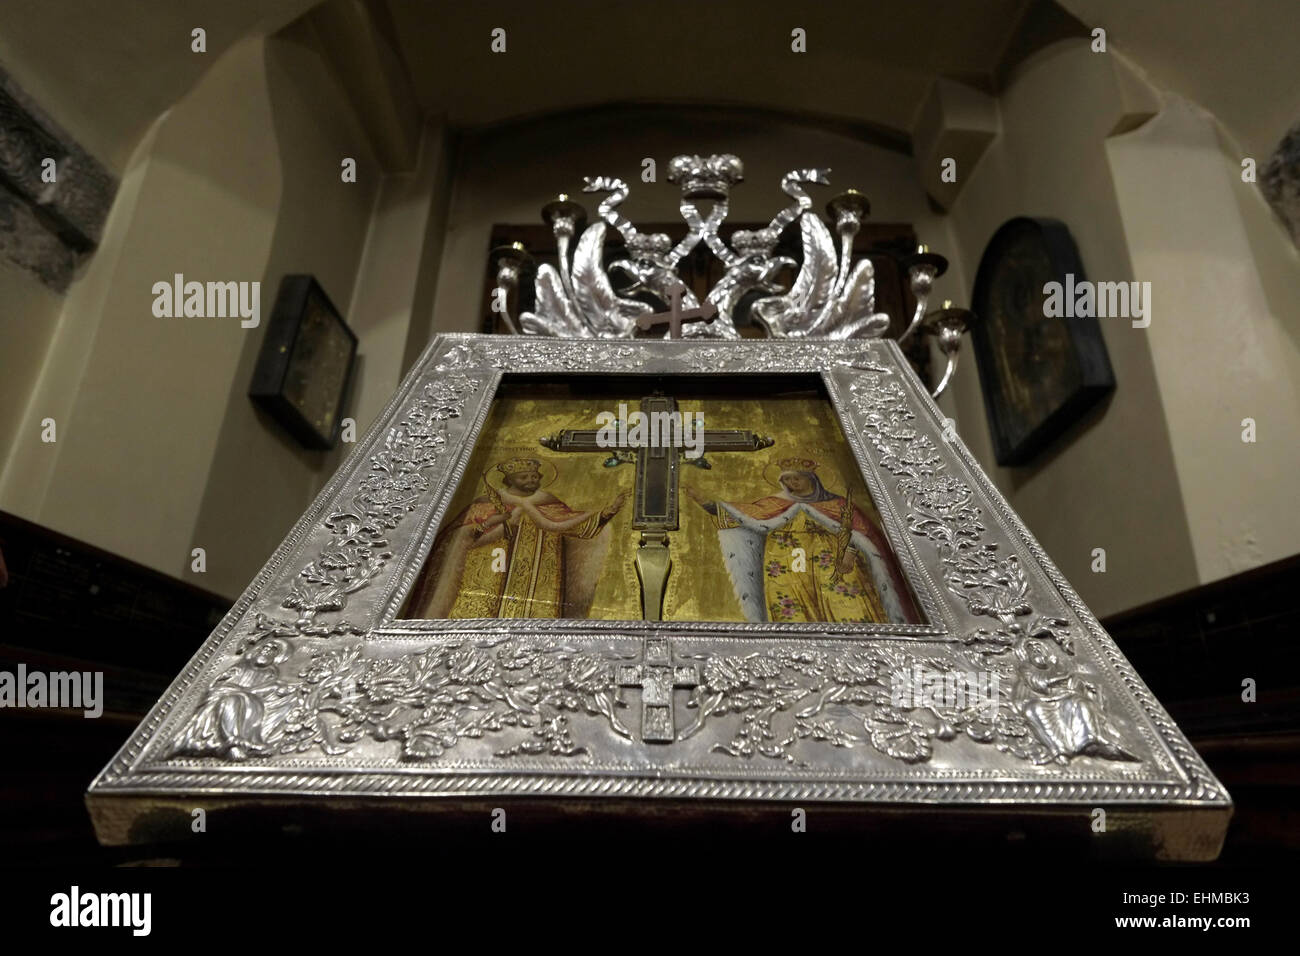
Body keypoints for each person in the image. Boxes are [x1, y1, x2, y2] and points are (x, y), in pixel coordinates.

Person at [684, 457, 920, 624]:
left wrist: (848, 554)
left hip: (833, 563)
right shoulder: (773, 504)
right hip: (785, 565)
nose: (791, 484)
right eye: (787, 480)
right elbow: (740, 513)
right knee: (792, 611)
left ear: (812, 479)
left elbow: (863, 535)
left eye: (796, 478)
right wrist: (704, 502)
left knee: (847, 607)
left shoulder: (839, 506)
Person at [408, 457, 626, 618]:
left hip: (539, 574)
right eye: (524, 477)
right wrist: (496, 523)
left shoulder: (547, 502)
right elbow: (462, 536)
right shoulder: (486, 503)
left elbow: (572, 525)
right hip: (493, 568)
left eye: (534, 476)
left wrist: (605, 513)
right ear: (510, 480)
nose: (531, 480)